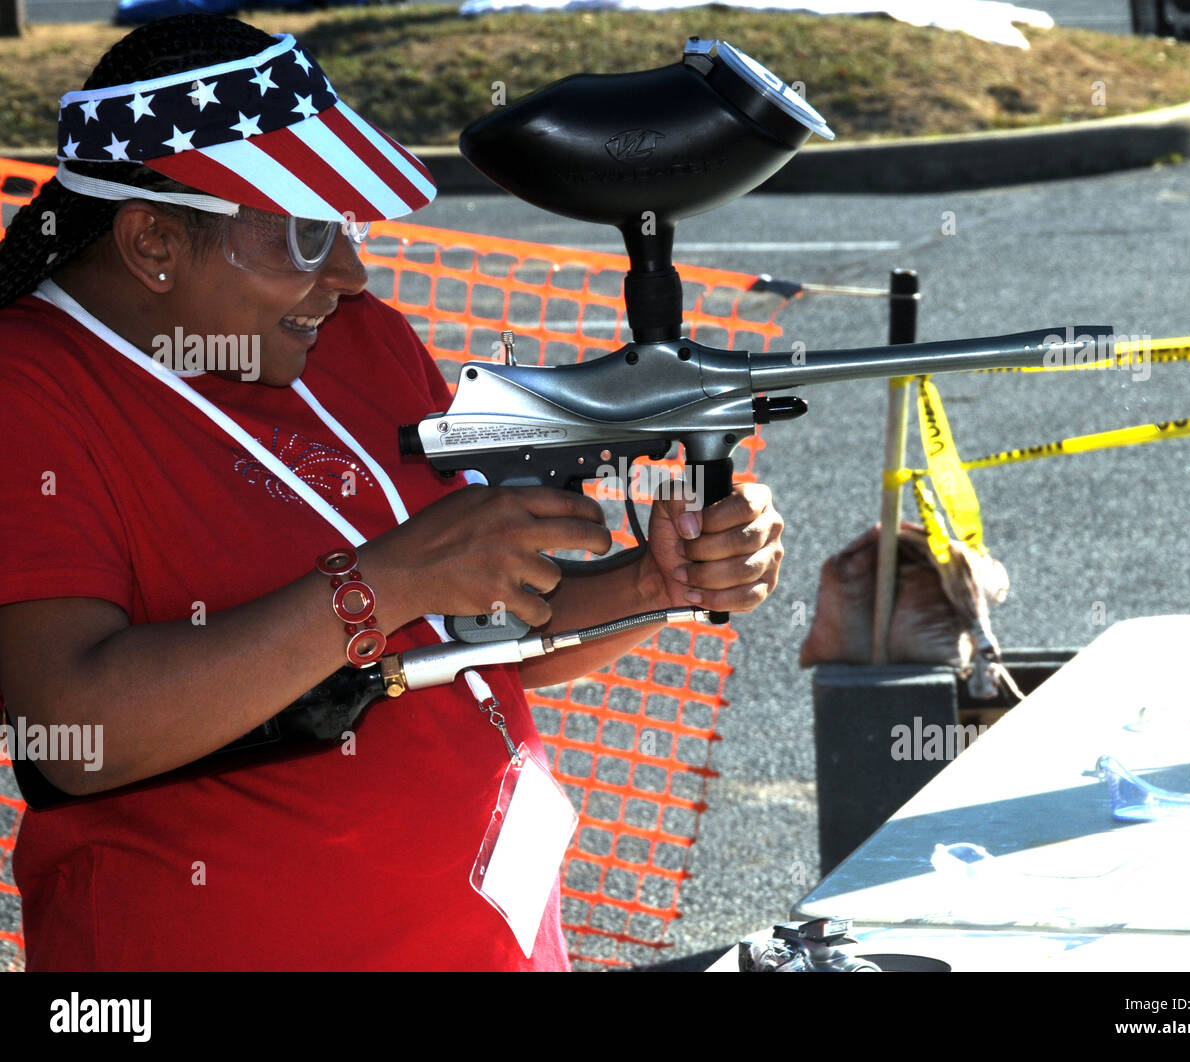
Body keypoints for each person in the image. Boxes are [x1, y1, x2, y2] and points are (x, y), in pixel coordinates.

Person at [0, 14, 785, 971]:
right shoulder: (29, 387)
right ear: (154, 240)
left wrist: (655, 586)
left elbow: (474, 634)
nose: (349, 271)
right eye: (300, 232)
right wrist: (383, 584)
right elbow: (81, 730)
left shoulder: (349, 334)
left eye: (343, 224)